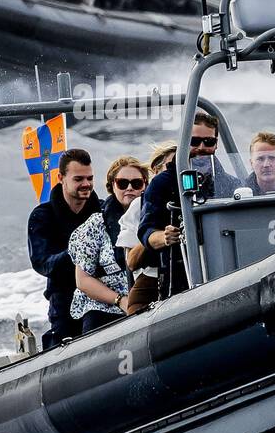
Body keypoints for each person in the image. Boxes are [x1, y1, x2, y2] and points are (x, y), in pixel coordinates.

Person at [138, 111, 241, 299]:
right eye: (195, 141)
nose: (202, 148)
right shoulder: (162, 183)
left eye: (209, 142)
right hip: (179, 276)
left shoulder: (230, 183)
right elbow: (145, 231)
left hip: (226, 273)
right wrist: (164, 236)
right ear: (184, 142)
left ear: (216, 144)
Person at [27, 149, 102, 349]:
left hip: (103, 295)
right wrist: (77, 252)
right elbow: (42, 263)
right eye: (79, 179)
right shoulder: (42, 216)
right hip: (64, 300)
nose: (86, 184)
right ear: (61, 178)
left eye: (90, 178)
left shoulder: (103, 211)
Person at [68, 156, 149, 334]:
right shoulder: (96, 224)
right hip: (103, 309)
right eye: (122, 183)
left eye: (136, 183)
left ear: (145, 186)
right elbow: (82, 280)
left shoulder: (155, 219)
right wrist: (121, 300)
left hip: (146, 304)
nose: (129, 188)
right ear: (112, 186)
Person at [119, 142, 176, 314]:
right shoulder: (139, 204)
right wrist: (155, 238)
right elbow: (131, 262)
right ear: (156, 171)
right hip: (150, 282)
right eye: (171, 166)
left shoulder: (195, 199)